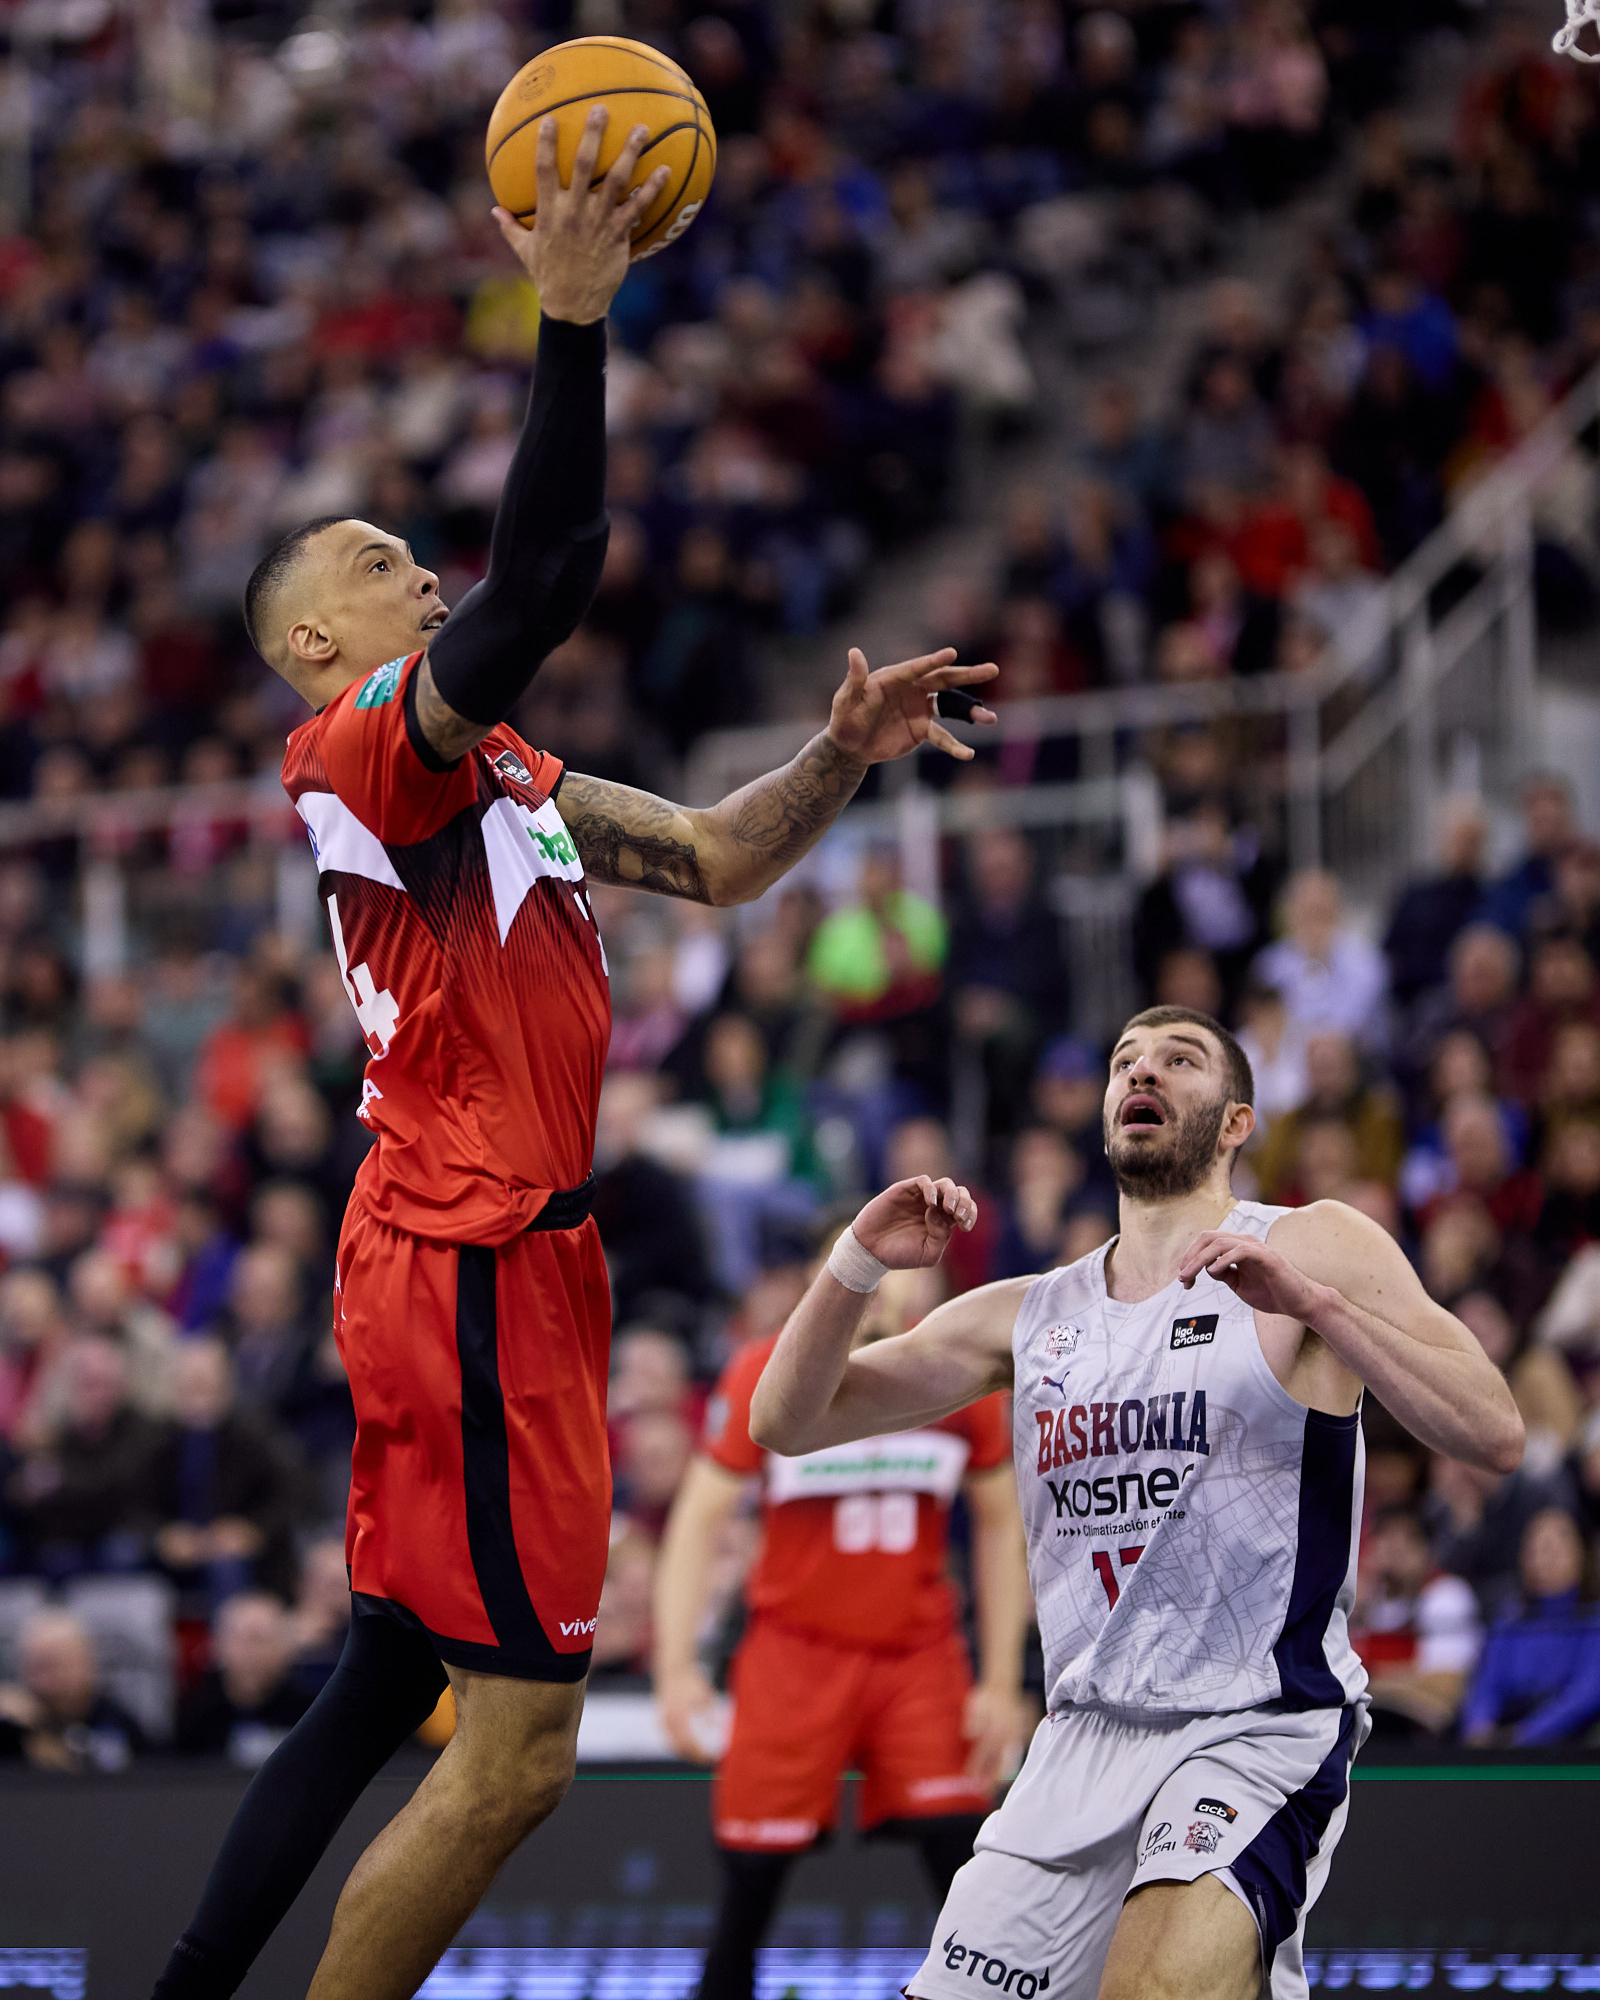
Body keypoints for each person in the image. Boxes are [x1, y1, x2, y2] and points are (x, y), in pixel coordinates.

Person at [149, 109, 999, 2000]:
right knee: (520, 1757)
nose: (424, 574)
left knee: (384, 1670)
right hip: (465, 1254)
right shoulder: (360, 745)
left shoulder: (504, 775)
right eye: (384, 560)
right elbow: (548, 577)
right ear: (314, 634)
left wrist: (841, 758)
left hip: (470, 1250)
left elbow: (716, 857)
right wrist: (573, 321)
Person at [748, 1003, 1523, 2000]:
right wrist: (854, 1259)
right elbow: (785, 1418)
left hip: (1252, 1723)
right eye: (1124, 1060)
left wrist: (1318, 1307)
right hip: (1076, 1744)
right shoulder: (1031, 1310)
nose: (1141, 1070)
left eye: (1179, 1056)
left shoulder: (1314, 1243)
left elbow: (1492, 1429)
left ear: (1236, 1120)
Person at [654, 1260, 1031, 2000]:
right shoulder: (766, 1370)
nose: (884, 1285)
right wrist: (674, 1666)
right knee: (750, 1879)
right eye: (861, 1266)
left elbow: (999, 1526)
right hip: (794, 1651)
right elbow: (698, 1518)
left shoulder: (955, 1374)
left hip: (919, 1652)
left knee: (966, 1869)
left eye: (901, 1272)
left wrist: (999, 1678)